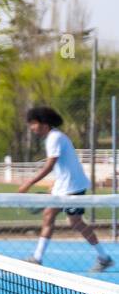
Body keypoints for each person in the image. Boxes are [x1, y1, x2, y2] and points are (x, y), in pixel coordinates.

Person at [17, 105, 113, 272]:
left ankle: (104, 257)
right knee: (53, 216)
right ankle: (37, 257)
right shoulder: (53, 138)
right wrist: (55, 186)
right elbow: (63, 166)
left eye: (33, 123)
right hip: (65, 187)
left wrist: (29, 183)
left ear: (44, 123)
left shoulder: (55, 137)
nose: (31, 128)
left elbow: (50, 165)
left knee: (74, 222)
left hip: (73, 187)